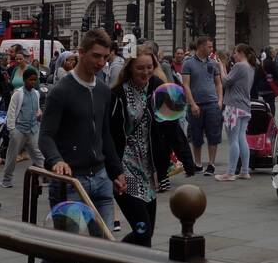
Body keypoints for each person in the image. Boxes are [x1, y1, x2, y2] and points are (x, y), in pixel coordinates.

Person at [39, 28, 123, 263]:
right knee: (64, 250)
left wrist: (116, 170)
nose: (101, 63)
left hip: (100, 178)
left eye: (105, 57)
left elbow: (105, 135)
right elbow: (45, 136)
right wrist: (57, 161)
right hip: (71, 182)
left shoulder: (103, 90)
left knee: (105, 248)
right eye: (96, 56)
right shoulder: (61, 91)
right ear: (81, 53)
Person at [110, 51, 197, 246]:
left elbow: (172, 125)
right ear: (130, 68)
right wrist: (113, 169)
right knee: (143, 231)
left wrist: (186, 159)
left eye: (149, 67)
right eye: (140, 68)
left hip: (148, 169)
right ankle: (117, 257)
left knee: (146, 233)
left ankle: (121, 258)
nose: (145, 72)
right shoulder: (118, 94)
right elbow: (108, 133)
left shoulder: (157, 87)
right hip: (125, 168)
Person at [182, 35, 224, 176]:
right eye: (209, 46)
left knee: (213, 135)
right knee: (196, 136)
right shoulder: (188, 63)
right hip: (196, 104)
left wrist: (220, 101)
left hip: (212, 104)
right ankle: (198, 163)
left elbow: (218, 83)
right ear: (201, 46)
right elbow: (186, 85)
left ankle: (211, 164)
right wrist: (192, 104)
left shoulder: (213, 63)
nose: (212, 49)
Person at [218, 44, 258, 182]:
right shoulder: (251, 67)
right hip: (245, 106)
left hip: (233, 105)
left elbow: (225, 82)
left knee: (233, 139)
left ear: (241, 53)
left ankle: (230, 173)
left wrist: (221, 67)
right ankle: (245, 171)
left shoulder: (239, 66)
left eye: (235, 53)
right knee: (242, 138)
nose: (233, 55)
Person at [1, 66, 45, 189]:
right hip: (19, 129)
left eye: (35, 80)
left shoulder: (36, 93)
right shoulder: (18, 94)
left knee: (38, 154)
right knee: (12, 155)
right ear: (25, 80)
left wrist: (39, 114)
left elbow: (37, 109)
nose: (33, 82)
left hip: (33, 129)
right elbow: (11, 111)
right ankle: (6, 179)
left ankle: (46, 176)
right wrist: (12, 129)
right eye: (31, 80)